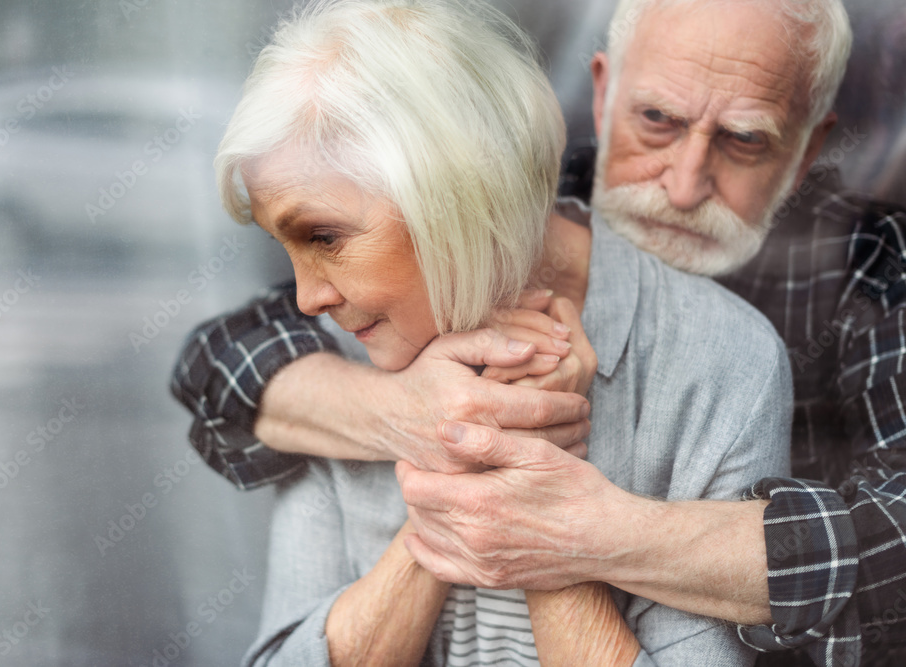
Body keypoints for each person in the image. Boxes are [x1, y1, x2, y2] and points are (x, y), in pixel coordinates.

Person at [172, 0, 906, 665]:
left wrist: (550, 520)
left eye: (744, 139)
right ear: (603, 94)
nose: (683, 185)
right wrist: (429, 427)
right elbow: (216, 364)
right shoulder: (360, 319)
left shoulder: (793, 312)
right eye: (656, 119)